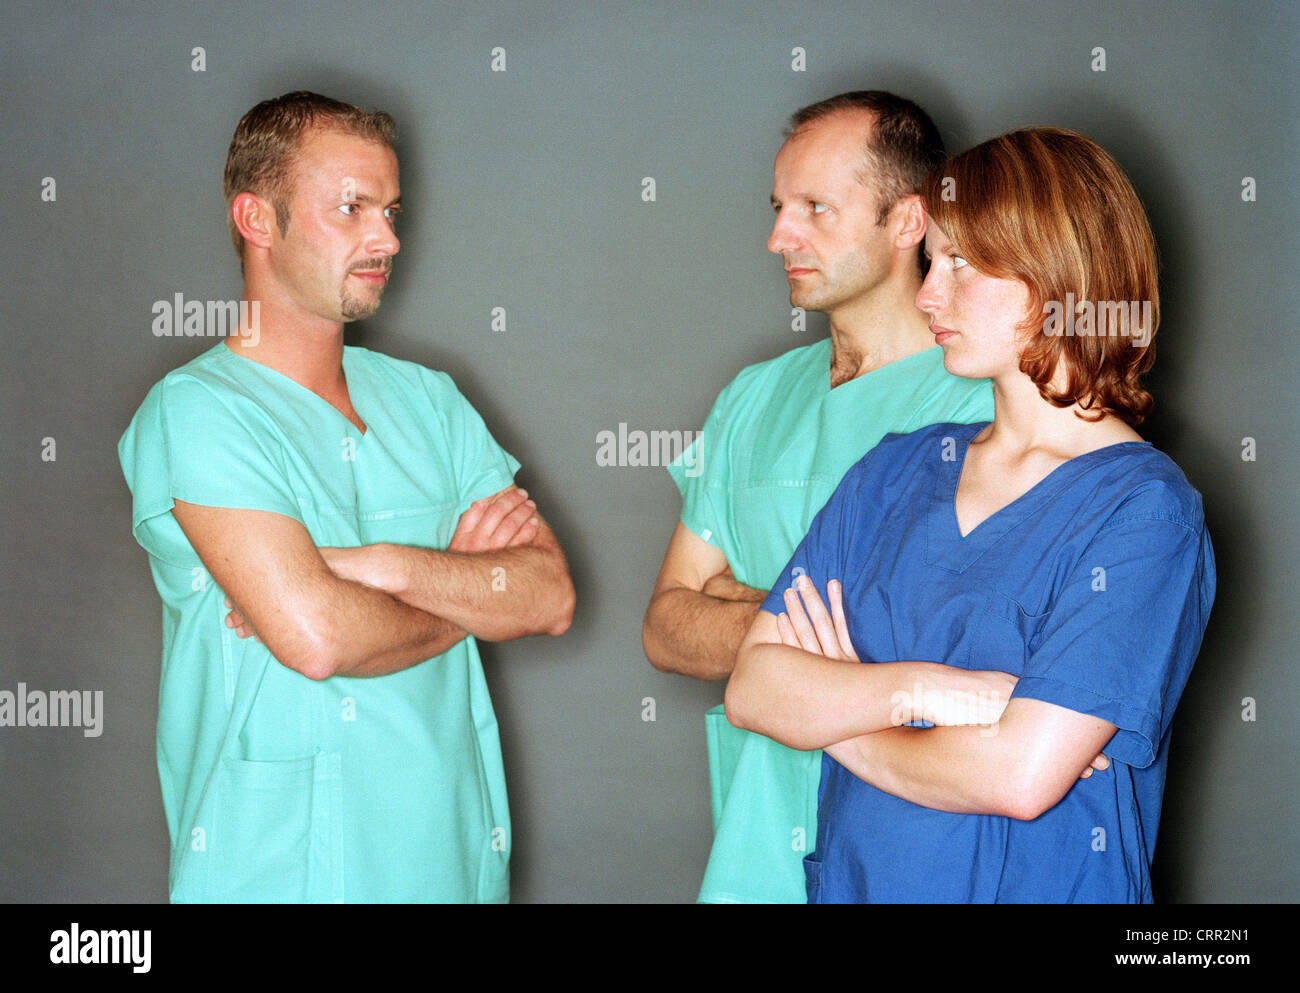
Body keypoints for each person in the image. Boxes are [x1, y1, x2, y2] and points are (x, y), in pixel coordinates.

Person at [726, 127, 1216, 902]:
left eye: (961, 263)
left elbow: (1020, 774)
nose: (926, 294)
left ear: (1060, 277)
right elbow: (753, 687)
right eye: (930, 262)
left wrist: (840, 705)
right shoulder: (894, 469)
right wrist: (924, 689)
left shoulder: (1143, 512)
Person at [118, 92, 575, 903]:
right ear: (258, 219)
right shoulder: (197, 411)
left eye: (391, 210)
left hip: (452, 863)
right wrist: (464, 592)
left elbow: (548, 593)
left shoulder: (431, 400)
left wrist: (376, 566)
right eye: (351, 208)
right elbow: (317, 636)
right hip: (273, 869)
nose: (388, 239)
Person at [641, 91, 995, 903]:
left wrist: (748, 616)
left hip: (919, 846)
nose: (777, 237)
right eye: (778, 208)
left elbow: (966, 654)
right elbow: (666, 625)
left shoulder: (989, 400)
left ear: (908, 221)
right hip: (757, 851)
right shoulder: (753, 397)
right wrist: (820, 631)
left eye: (815, 209)